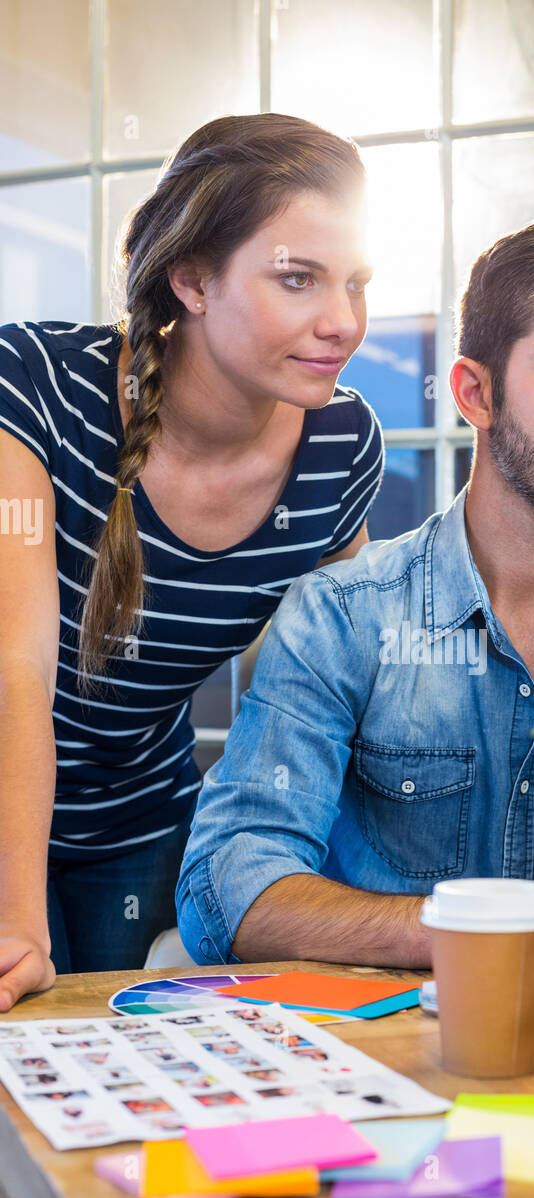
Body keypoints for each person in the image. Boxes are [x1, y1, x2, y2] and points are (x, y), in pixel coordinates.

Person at [176, 204, 534, 970]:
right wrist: (506, 921)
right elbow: (224, 894)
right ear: (475, 394)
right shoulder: (343, 619)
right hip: (390, 1063)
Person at [0, 112, 385, 1010]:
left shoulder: (341, 444)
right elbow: (15, 670)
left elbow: (330, 690)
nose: (343, 323)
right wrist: (17, 924)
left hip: (143, 823)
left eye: (356, 283)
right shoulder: (31, 386)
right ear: (192, 279)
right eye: (298, 279)